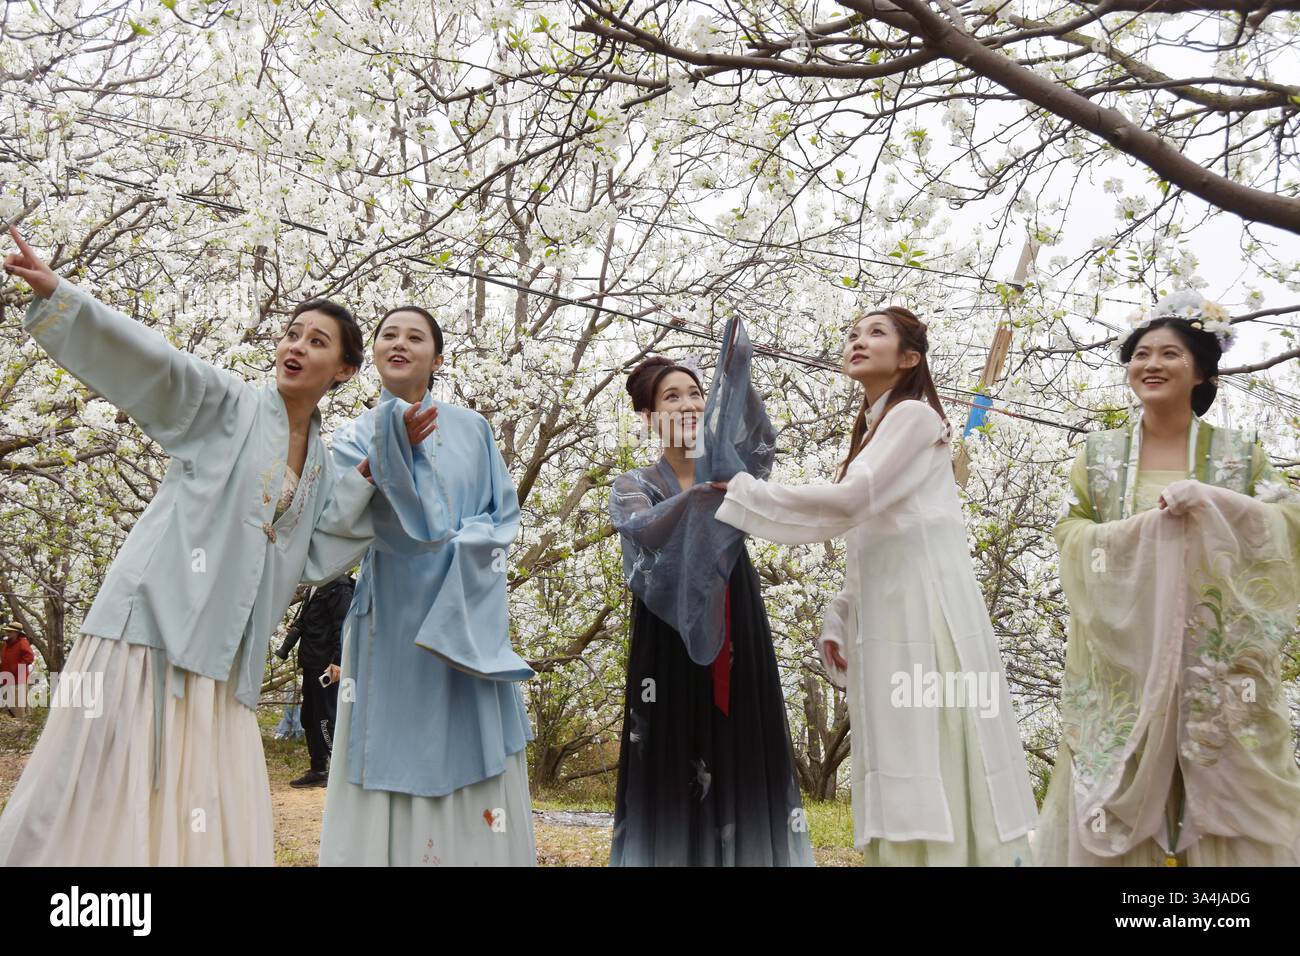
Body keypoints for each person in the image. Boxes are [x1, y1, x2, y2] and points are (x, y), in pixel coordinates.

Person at [0, 226, 436, 865]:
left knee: (192, 789)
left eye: (317, 342)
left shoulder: (319, 460)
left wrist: (378, 472)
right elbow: (157, 365)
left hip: (225, 650)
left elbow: (315, 549)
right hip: (149, 625)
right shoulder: (228, 404)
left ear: (343, 369)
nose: (296, 346)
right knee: (101, 776)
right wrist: (65, 297)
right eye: (293, 333)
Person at [714, 306, 1038, 866]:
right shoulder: (877, 426)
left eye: (876, 333)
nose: (857, 341)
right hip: (891, 611)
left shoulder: (913, 417)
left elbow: (850, 502)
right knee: (902, 746)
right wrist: (843, 614)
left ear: (910, 358)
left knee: (928, 741)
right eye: (852, 333)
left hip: (923, 609)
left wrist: (743, 493)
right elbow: (868, 532)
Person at [1037, 291, 1300, 866]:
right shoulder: (1100, 457)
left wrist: (1217, 501)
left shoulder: (1238, 455)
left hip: (1217, 653)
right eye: (1141, 354)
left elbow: (1289, 521)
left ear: (1202, 371)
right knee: (1113, 777)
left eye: (1170, 354)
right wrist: (1138, 533)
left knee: (1229, 776)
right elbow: (1070, 531)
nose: (1151, 365)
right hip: (1124, 654)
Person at [318, 305, 536, 866]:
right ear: (374, 355)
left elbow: (502, 513)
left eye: (415, 337)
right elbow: (332, 522)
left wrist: (466, 550)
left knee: (468, 734)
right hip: (392, 617)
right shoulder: (354, 436)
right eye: (389, 334)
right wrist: (378, 460)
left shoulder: (473, 428)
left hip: (464, 608)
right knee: (386, 741)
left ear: (436, 358)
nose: (400, 343)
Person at [607, 323, 816, 866]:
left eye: (696, 392)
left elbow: (757, 434)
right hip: (666, 627)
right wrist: (696, 500)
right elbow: (642, 530)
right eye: (670, 396)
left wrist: (734, 370)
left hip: (732, 611)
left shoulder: (731, 473)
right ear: (650, 417)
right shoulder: (635, 482)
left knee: (739, 735)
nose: (687, 403)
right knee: (669, 737)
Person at [275, 575, 355, 787]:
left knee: (324, 718)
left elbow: (343, 625)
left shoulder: (339, 585)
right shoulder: (317, 583)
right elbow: (313, 620)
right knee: (309, 716)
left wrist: (337, 662)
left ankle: (336, 770)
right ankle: (318, 769)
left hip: (326, 666)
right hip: (311, 662)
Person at [1, 622, 35, 718]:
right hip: (6, 680)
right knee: (7, 709)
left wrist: (15, 668)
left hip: (18, 680)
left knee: (18, 710)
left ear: (16, 633)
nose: (7, 633)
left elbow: (29, 658)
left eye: (10, 631)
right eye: (7, 631)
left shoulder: (22, 643)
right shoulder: (6, 645)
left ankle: (21, 729)